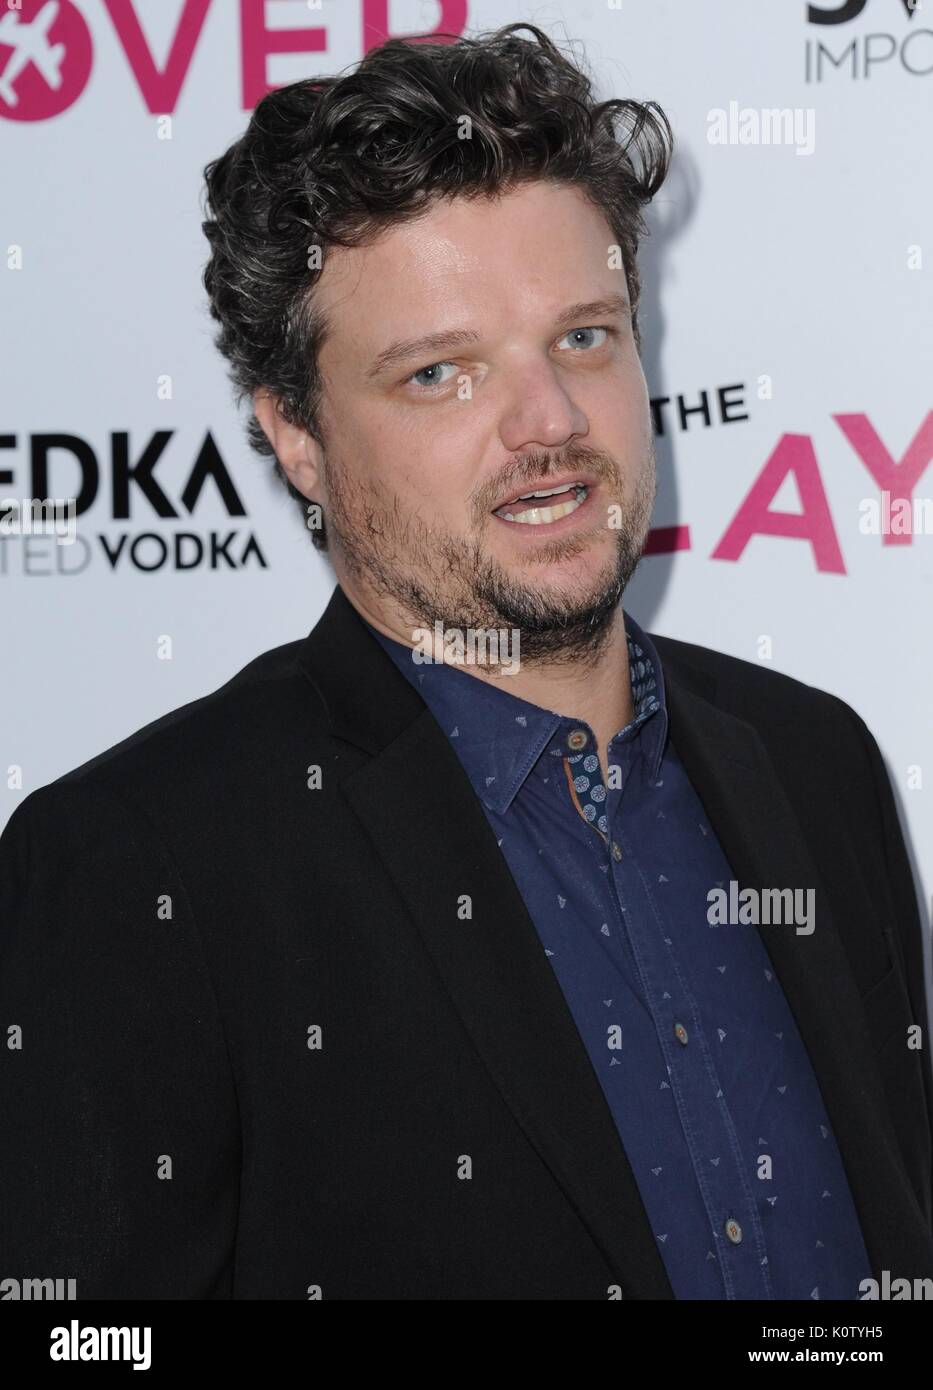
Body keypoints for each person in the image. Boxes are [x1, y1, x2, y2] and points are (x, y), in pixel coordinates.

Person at [1, 22, 930, 1301]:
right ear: (298, 437)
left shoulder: (815, 759)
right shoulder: (142, 862)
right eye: (441, 373)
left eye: (585, 338)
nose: (548, 421)